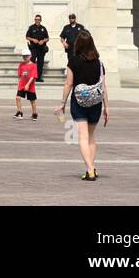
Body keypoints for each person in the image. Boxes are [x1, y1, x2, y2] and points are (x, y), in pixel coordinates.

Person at [56, 30, 109, 181]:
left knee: (82, 137)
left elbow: (68, 84)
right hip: (95, 103)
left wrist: (62, 103)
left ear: (78, 44)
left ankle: (90, 169)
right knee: (91, 137)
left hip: (79, 103)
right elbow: (103, 87)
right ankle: (91, 168)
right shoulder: (99, 63)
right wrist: (107, 107)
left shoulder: (73, 61)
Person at [14, 52, 39, 120]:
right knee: (18, 97)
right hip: (22, 84)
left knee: (32, 100)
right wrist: (22, 76)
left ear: (30, 56)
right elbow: (19, 75)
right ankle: (19, 112)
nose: (25, 57)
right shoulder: (21, 65)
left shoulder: (33, 65)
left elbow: (33, 76)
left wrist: (28, 84)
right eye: (24, 56)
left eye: (26, 56)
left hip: (30, 86)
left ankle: (34, 114)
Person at [25, 14, 50, 82]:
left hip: (41, 48)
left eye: (38, 19)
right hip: (34, 48)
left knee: (40, 63)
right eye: (36, 19)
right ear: (34, 20)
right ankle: (31, 77)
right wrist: (33, 40)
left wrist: (43, 41)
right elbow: (27, 37)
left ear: (40, 20)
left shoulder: (43, 28)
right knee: (32, 62)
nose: (37, 21)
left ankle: (38, 77)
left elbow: (47, 38)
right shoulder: (31, 28)